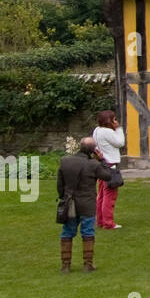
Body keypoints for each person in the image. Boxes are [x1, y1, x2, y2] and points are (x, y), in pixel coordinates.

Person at [57, 136, 115, 273]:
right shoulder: (94, 164)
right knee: (88, 232)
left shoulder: (65, 161)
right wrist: (102, 160)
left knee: (67, 232)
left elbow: (60, 184)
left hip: (70, 202)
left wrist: (63, 197)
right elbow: (107, 176)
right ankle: (88, 264)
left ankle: (65, 265)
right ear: (93, 150)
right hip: (87, 203)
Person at [92, 109, 125, 229]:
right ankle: (108, 222)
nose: (116, 121)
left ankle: (100, 220)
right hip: (110, 165)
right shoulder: (107, 132)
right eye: (114, 119)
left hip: (102, 164)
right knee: (110, 195)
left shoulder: (97, 130)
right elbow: (120, 142)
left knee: (101, 194)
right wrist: (118, 129)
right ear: (109, 121)